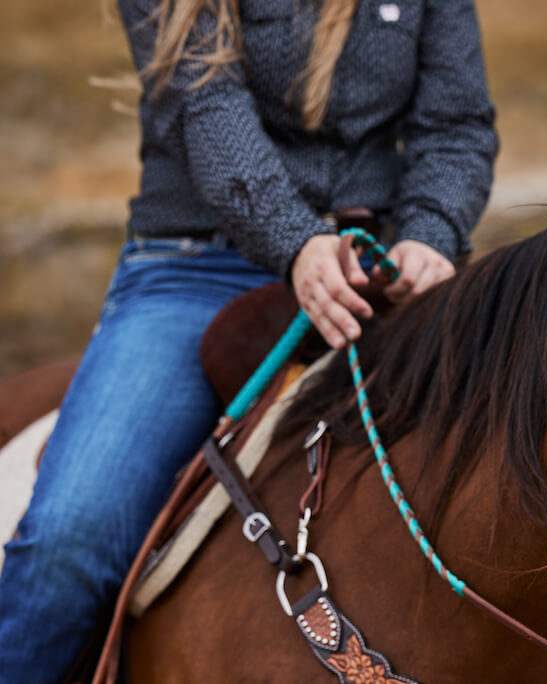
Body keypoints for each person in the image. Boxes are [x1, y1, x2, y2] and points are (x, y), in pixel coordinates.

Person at [0, 1, 498, 679]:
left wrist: (430, 236)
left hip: (374, 272)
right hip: (197, 269)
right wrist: (297, 244)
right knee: (71, 536)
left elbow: (457, 123)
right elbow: (207, 113)